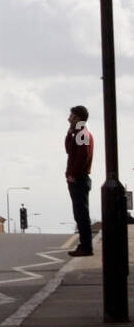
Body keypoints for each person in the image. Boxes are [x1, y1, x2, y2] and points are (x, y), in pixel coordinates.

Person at [65, 105, 94, 256]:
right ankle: (84, 245)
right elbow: (69, 150)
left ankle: (86, 247)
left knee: (82, 215)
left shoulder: (82, 134)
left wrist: (74, 175)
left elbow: (83, 157)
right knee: (79, 215)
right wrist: (70, 132)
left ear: (78, 118)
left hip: (80, 180)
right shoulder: (78, 133)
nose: (68, 119)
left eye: (71, 116)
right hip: (77, 179)